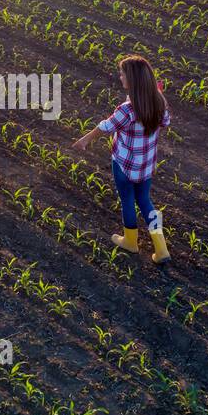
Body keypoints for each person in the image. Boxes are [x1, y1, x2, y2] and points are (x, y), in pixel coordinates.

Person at [73, 55, 171, 264]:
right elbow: (166, 122)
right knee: (145, 201)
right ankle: (161, 249)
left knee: (127, 199)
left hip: (125, 165)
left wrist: (84, 140)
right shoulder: (159, 101)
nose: (120, 77)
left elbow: (106, 127)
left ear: (133, 80)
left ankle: (130, 241)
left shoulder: (127, 110)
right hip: (145, 166)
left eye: (122, 74)